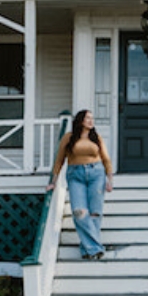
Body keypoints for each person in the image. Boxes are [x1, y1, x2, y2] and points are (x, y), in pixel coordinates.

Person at [47, 109, 113, 259]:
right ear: (80, 120)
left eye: (92, 118)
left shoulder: (96, 138)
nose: (91, 120)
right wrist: (54, 181)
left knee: (95, 213)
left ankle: (88, 250)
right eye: (88, 118)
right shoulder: (69, 138)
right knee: (79, 213)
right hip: (75, 176)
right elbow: (59, 160)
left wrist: (110, 179)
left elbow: (106, 159)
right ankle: (96, 248)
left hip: (97, 174)